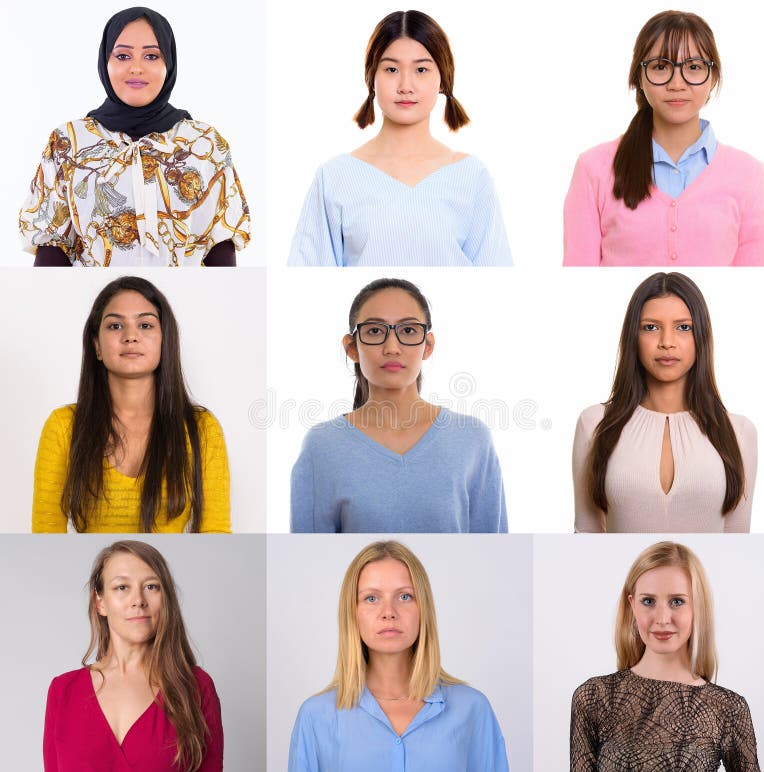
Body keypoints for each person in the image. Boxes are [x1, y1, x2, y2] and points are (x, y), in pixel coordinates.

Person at [20, 7, 250, 266]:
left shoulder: (204, 144)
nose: (136, 68)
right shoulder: (69, 143)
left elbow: (221, 247)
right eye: (123, 55)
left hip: (187, 303)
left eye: (151, 56)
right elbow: (52, 247)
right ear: (105, 62)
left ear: (169, 63)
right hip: (93, 303)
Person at [287, 540, 512, 772]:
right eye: (371, 598)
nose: (389, 612)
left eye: (404, 596)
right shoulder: (316, 717)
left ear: (422, 609)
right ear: (353, 612)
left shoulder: (472, 710)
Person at [288, 10, 512, 266]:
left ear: (443, 79)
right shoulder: (335, 177)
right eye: (392, 69)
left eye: (421, 69)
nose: (406, 85)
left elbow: (496, 282)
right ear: (372, 77)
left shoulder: (471, 177)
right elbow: (308, 279)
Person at [290, 278, 507, 532]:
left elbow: (492, 552)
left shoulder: (472, 439)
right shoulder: (322, 446)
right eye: (374, 331)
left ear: (428, 345)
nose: (392, 348)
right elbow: (313, 557)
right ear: (352, 348)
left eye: (408, 331)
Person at [563, 10, 764, 266]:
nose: (677, 83)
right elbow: (578, 279)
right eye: (661, 67)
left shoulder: (748, 175)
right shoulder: (593, 168)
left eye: (694, 67)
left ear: (713, 77)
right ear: (639, 76)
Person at [570, 541, 764, 772]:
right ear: (632, 605)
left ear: (698, 606)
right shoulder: (594, 697)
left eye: (677, 601)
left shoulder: (727, 708)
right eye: (648, 601)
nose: (662, 618)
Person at [32, 275, 230, 532]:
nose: (131, 336)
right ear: (96, 346)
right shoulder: (63, 426)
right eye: (115, 326)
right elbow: (46, 535)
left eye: (145, 325)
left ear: (165, 340)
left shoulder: (202, 428)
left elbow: (216, 534)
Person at [572, 272, 755, 533]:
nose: (667, 343)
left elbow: (738, 541)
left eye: (683, 327)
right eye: (651, 327)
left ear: (700, 336)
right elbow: (586, 535)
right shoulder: (594, 424)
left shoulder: (739, 432)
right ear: (633, 337)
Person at [43, 539, 227, 772]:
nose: (138, 600)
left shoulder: (196, 686)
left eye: (151, 586)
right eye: (121, 587)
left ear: (166, 599)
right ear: (100, 602)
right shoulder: (63, 691)